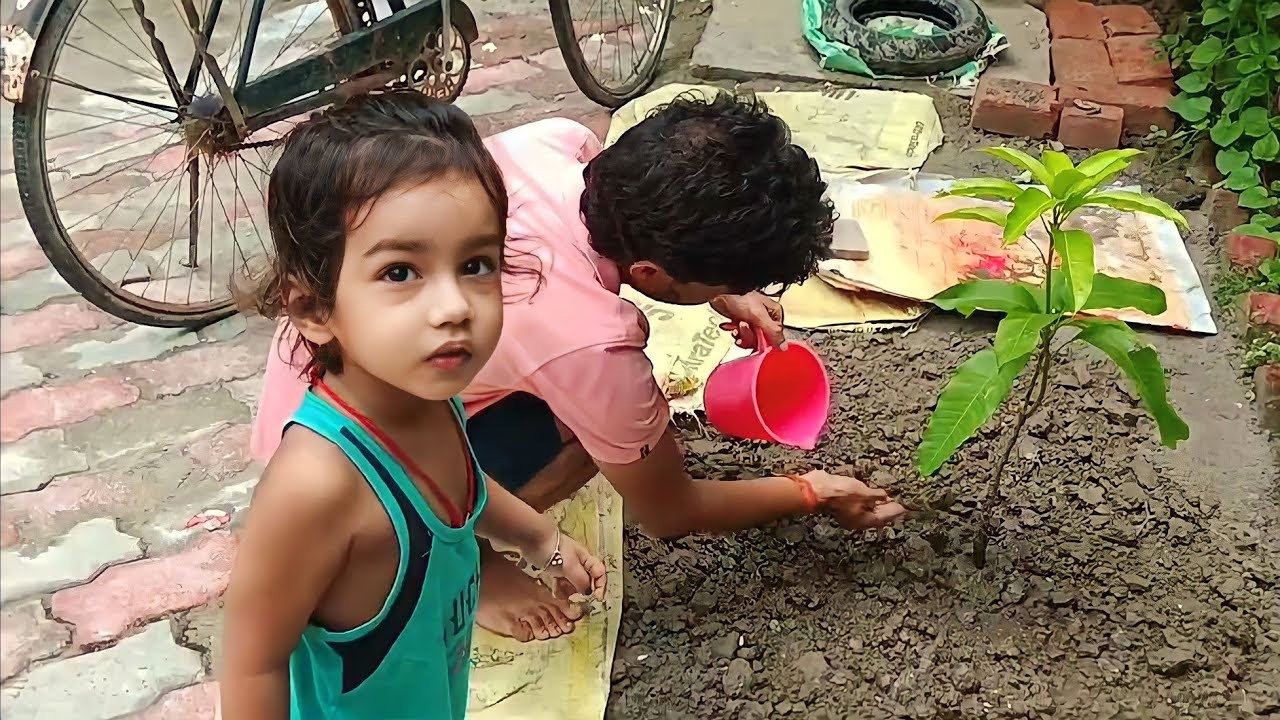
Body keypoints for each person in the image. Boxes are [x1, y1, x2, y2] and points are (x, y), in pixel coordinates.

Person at [250, 90, 906, 645]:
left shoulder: (558, 142)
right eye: (717, 283)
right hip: (356, 465)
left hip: (327, 370)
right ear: (654, 275)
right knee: (599, 441)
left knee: (582, 414)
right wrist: (812, 489)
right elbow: (671, 512)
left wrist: (724, 285)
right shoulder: (592, 346)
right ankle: (447, 557)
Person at [221, 92, 607, 720]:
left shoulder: (429, 396)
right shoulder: (316, 487)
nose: (454, 307)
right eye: (401, 272)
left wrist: (540, 539)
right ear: (313, 308)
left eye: (475, 264)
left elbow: (461, 484)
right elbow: (251, 661)